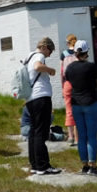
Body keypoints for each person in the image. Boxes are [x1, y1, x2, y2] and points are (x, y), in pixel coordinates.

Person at [64, 40, 97, 175]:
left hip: (76, 104)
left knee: (81, 136)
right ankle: (93, 166)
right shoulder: (91, 67)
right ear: (87, 52)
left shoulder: (70, 68)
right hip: (91, 102)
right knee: (92, 135)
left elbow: (69, 81)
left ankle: (84, 165)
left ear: (75, 52)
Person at [25, 37, 61, 175]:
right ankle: (43, 166)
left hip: (30, 98)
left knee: (33, 131)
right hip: (41, 97)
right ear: (45, 47)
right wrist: (51, 70)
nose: (50, 54)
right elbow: (38, 67)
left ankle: (34, 164)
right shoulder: (39, 55)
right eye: (50, 50)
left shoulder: (28, 56)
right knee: (41, 132)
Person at [60, 34, 79, 147]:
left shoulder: (64, 54)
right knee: (78, 109)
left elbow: (62, 72)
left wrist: (63, 86)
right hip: (78, 84)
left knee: (69, 109)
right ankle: (78, 138)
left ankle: (70, 136)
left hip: (68, 83)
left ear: (67, 43)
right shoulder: (79, 53)